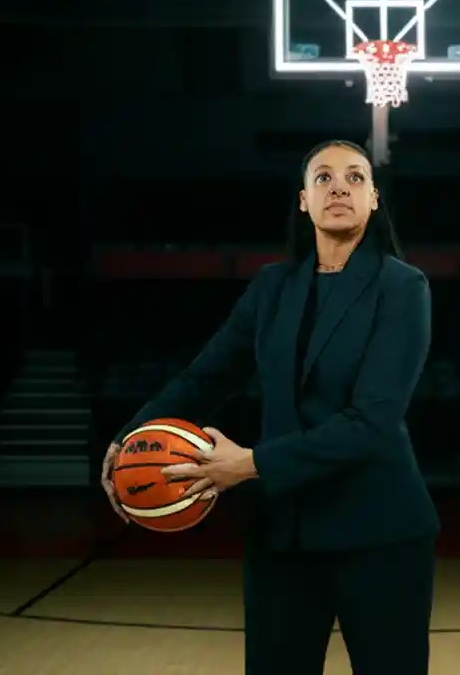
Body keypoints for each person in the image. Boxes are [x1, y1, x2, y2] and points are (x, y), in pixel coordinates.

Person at [99, 139, 439, 675]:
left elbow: (372, 422)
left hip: (381, 533)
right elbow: (205, 377)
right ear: (303, 200)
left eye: (354, 178)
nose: (339, 188)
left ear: (374, 199)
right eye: (323, 178)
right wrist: (128, 438)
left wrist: (251, 464)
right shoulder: (272, 286)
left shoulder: (402, 287)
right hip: (282, 534)